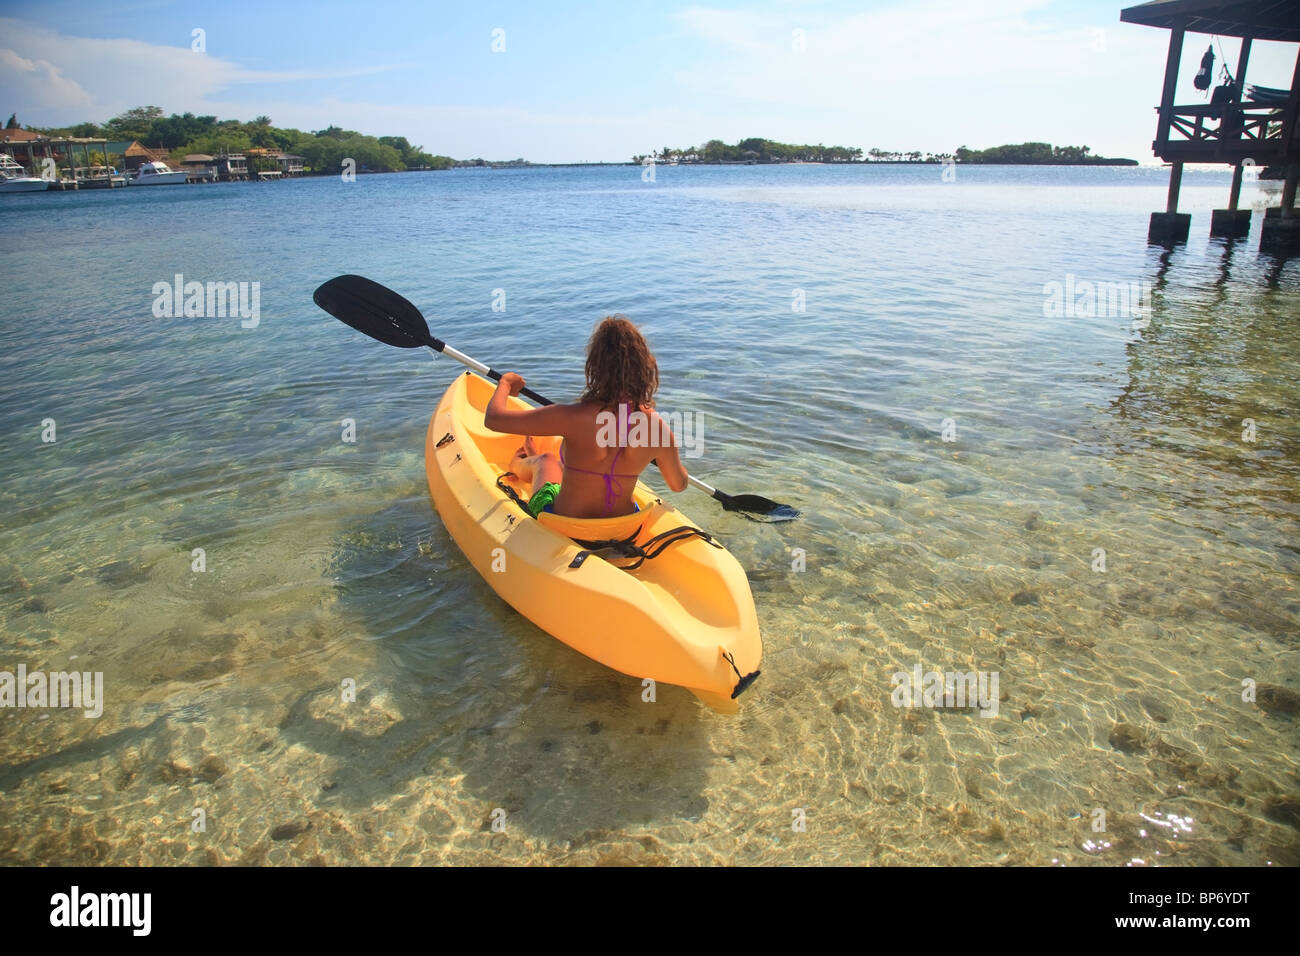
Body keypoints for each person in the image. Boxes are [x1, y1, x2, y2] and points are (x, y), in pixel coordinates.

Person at [483, 315, 688, 519]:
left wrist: (506, 384)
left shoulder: (572, 417)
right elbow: (678, 485)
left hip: (565, 521)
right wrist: (664, 454)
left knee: (545, 461)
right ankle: (538, 458)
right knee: (565, 467)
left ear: (595, 367)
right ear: (644, 368)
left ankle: (519, 463)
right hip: (621, 525)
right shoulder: (657, 429)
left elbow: (494, 419)